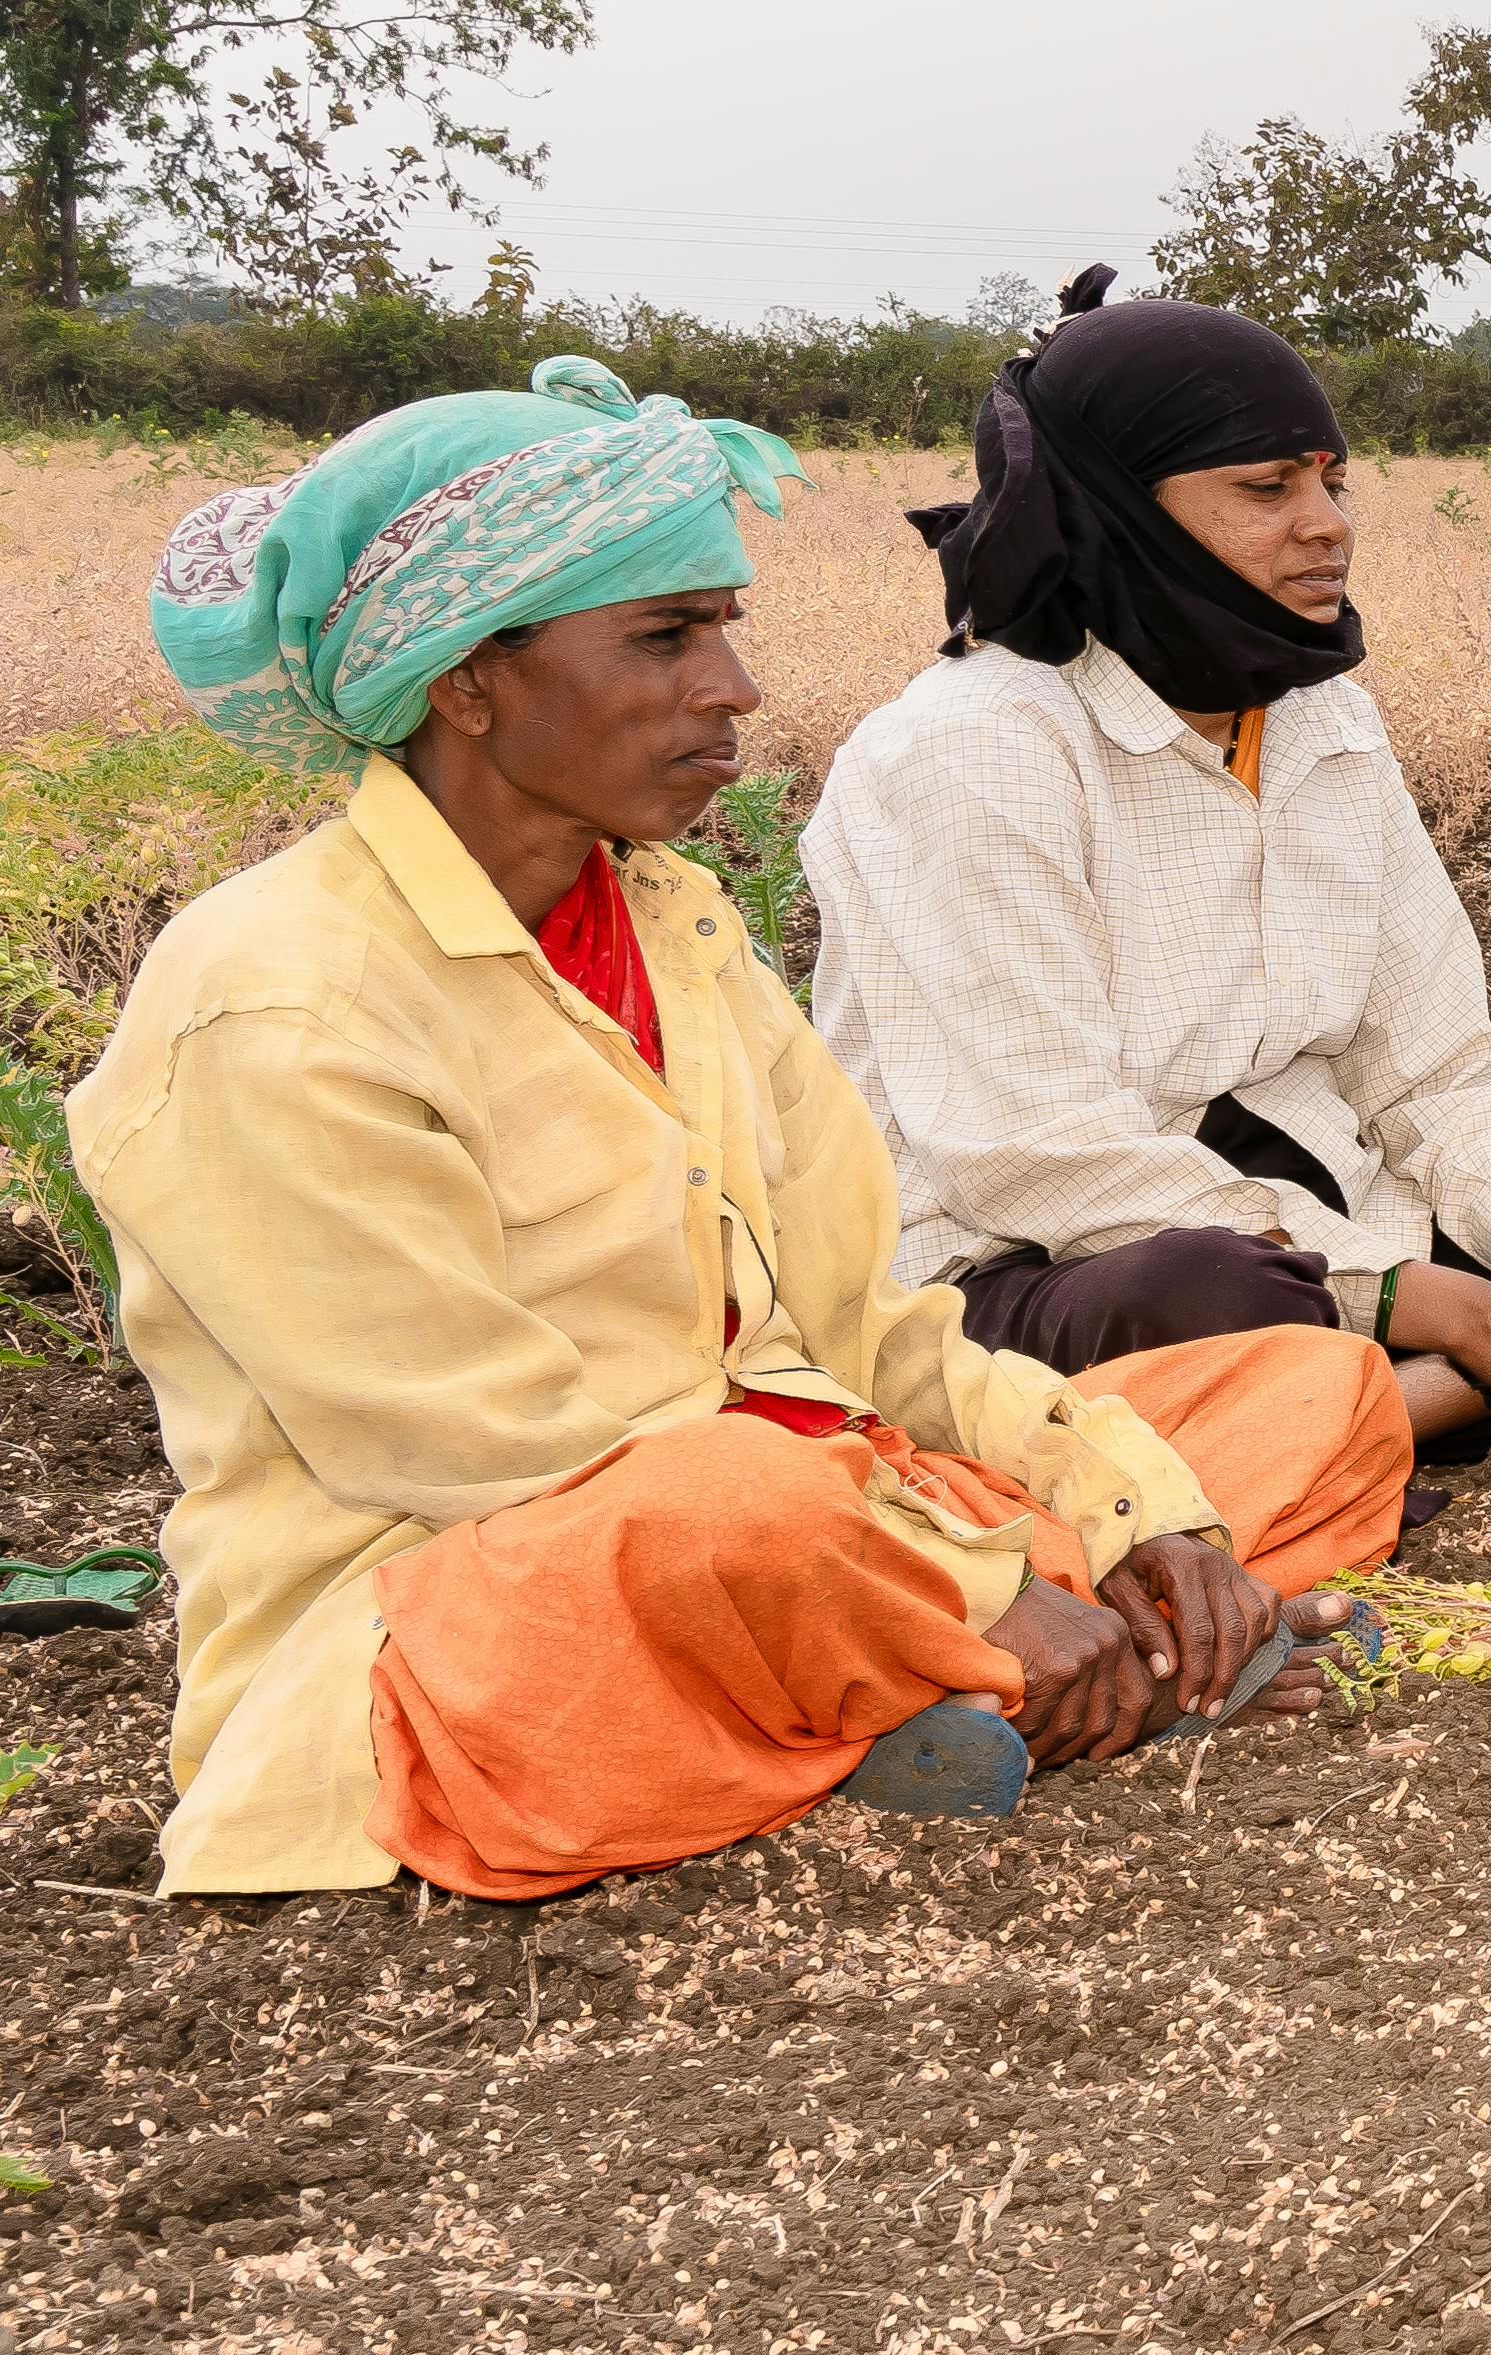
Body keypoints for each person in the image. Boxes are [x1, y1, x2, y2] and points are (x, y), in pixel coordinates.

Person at [84, 361, 1408, 1902]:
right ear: (464, 679)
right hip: (482, 1614)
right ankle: (1024, 1665)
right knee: (733, 1500)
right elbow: (505, 1464)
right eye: (664, 636)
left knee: (1315, 1386)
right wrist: (984, 1567)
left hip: (821, 1517)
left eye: (723, 626)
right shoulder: (271, 1000)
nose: (732, 686)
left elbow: (868, 1333)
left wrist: (1132, 1510)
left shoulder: (676, 919)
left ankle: (951, 1688)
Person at [805, 272, 1491, 1447]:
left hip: (1327, 1219)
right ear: (1112, 508)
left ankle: (1392, 1402)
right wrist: (1462, 1310)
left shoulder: (1319, 719)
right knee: (1205, 1288)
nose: (1326, 522)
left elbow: (1427, 1065)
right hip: (1038, 1262)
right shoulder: (966, 752)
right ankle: (1436, 1395)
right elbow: (1042, 1163)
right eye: (1265, 487)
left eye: (1331, 481)